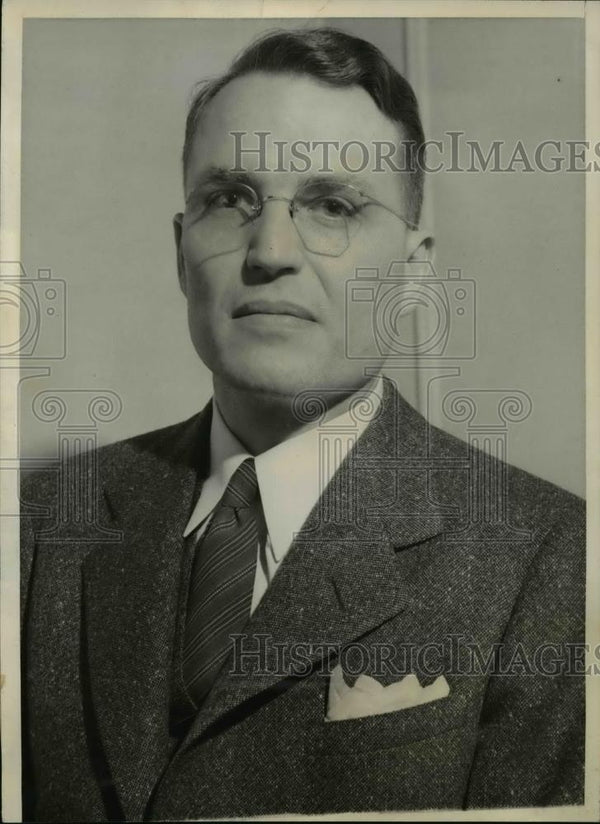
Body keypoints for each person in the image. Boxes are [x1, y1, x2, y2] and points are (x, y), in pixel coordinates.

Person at [20, 28, 585, 821]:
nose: (272, 250)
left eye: (333, 205)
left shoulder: (550, 556)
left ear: (415, 271)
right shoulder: (45, 526)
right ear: (183, 254)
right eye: (230, 199)